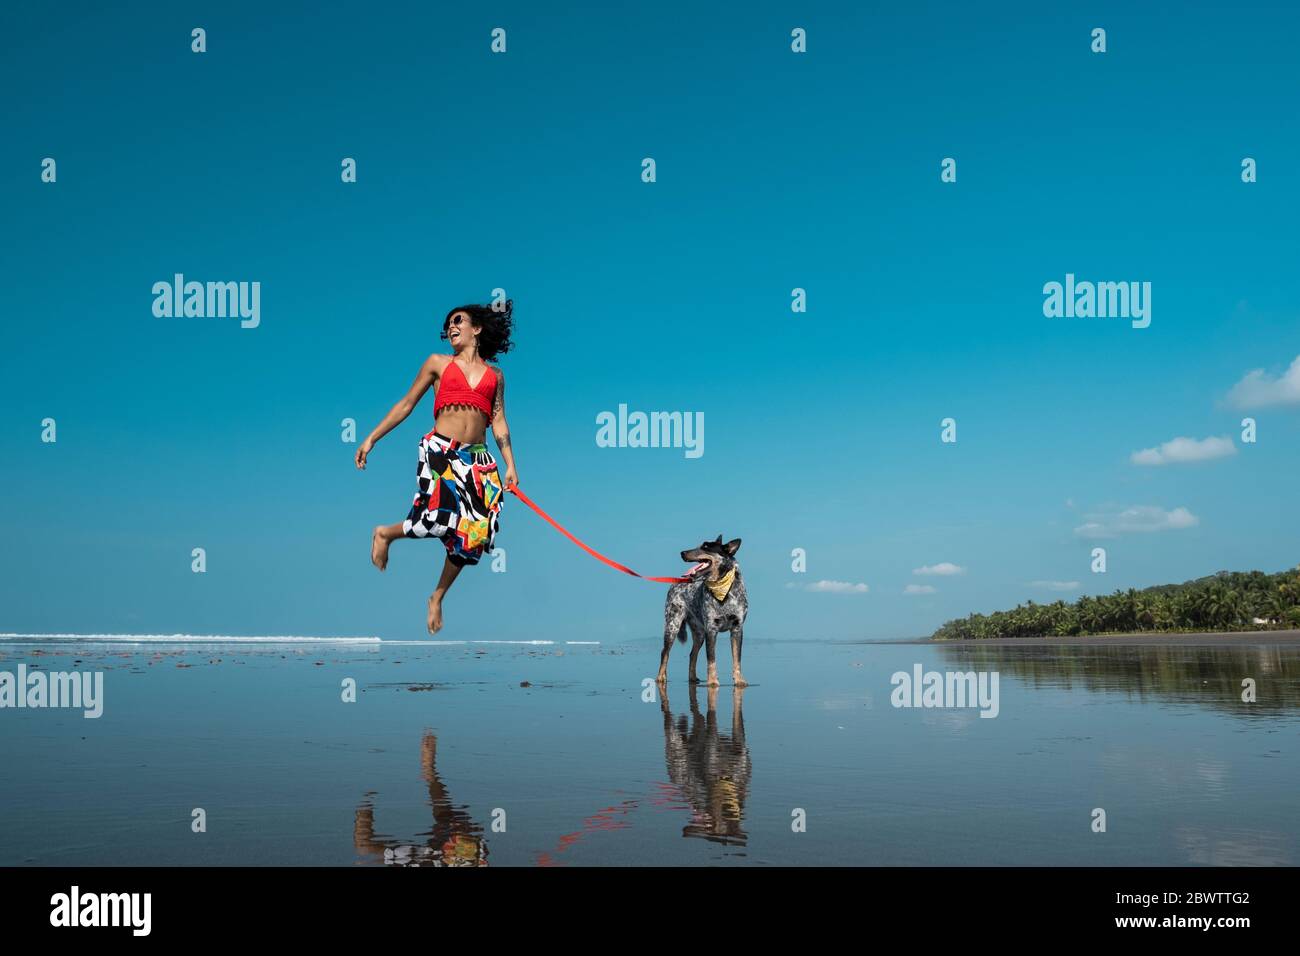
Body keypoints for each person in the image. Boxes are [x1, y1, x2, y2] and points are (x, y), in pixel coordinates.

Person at [355, 300, 518, 633]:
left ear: (477, 328)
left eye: (458, 321)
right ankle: (385, 533)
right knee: (436, 519)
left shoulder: (495, 377)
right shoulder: (438, 364)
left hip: (479, 460)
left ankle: (437, 597)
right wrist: (371, 438)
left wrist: (511, 465)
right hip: (441, 452)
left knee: (474, 536)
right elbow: (406, 404)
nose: (452, 327)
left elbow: (498, 421)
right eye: (448, 325)